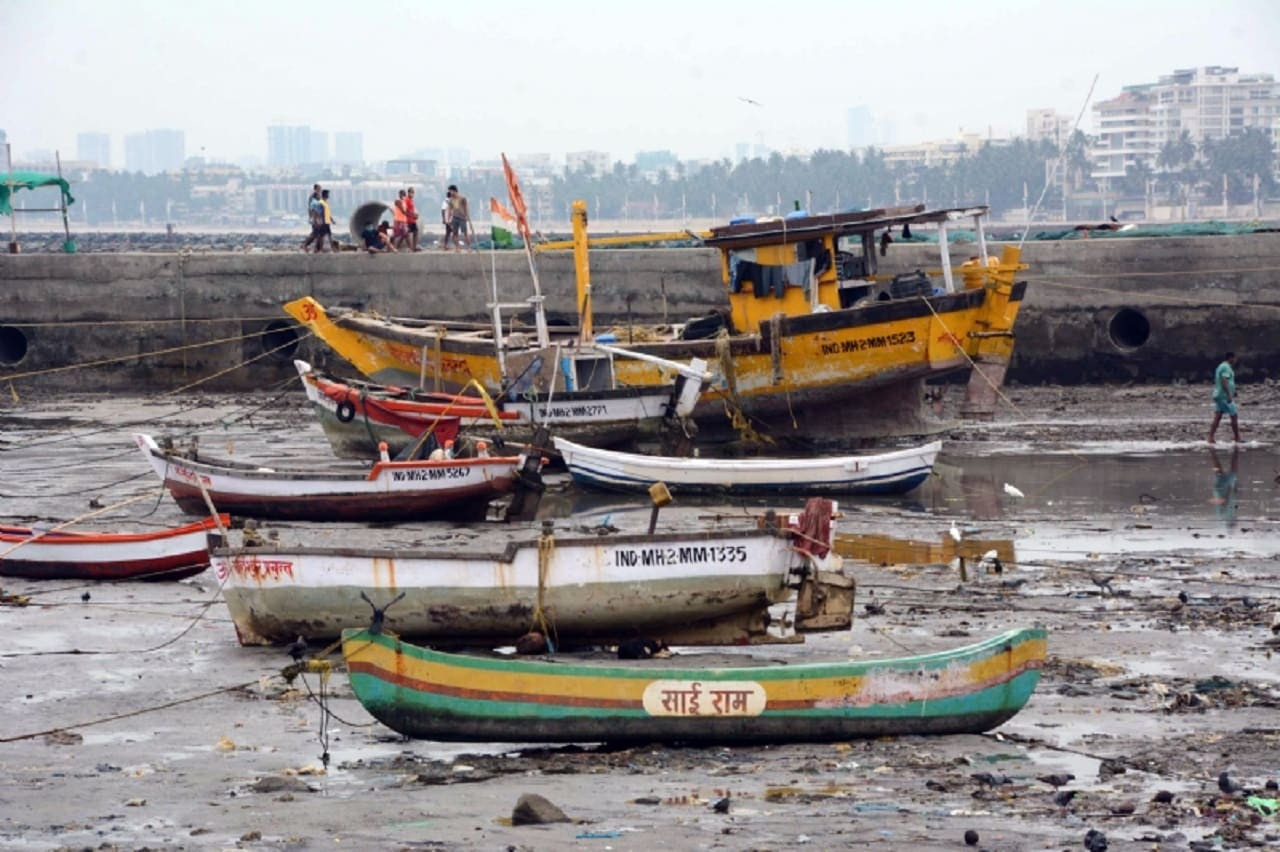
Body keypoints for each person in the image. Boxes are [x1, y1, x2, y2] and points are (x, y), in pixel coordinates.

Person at [1207, 351, 1240, 444]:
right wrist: (1229, 394)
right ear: (1230, 358)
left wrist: (1234, 391)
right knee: (1234, 415)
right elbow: (1224, 380)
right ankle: (1237, 437)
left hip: (1220, 395)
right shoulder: (1226, 367)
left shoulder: (1221, 366)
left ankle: (1210, 437)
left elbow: (1228, 381)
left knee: (1218, 416)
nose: (1236, 360)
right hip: (1224, 396)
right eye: (1235, 358)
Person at [1208, 445, 1239, 528]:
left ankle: (1236, 448)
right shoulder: (1223, 516)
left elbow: (1226, 501)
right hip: (1219, 489)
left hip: (1225, 488)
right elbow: (1226, 503)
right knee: (1218, 465)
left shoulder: (1228, 515)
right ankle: (1211, 449)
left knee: (1232, 465)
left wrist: (1230, 489)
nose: (1236, 520)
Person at [447, 184, 472, 251]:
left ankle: (468, 247)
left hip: (462, 217)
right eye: (449, 191)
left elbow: (466, 207)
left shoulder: (462, 198)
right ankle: (457, 248)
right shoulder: (450, 200)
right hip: (455, 217)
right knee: (455, 234)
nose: (450, 193)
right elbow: (449, 210)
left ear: (454, 191)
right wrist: (448, 219)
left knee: (465, 233)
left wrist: (467, 216)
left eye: (451, 191)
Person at [301, 184, 322, 252]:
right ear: (315, 189)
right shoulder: (313, 198)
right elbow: (312, 209)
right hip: (315, 217)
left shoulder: (318, 197)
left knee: (319, 233)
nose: (320, 190)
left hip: (318, 217)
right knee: (315, 233)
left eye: (320, 189)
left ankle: (316, 248)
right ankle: (305, 245)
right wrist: (313, 218)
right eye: (319, 188)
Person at [316, 189, 336, 253]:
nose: (328, 196)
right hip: (323, 222)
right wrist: (320, 221)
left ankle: (332, 248)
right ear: (325, 195)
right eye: (328, 194)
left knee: (329, 235)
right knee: (321, 236)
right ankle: (321, 249)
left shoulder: (325, 203)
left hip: (327, 222)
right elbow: (318, 213)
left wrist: (332, 220)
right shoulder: (320, 203)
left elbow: (328, 213)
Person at [404, 186, 420, 251]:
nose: (412, 194)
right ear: (408, 193)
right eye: (411, 193)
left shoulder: (411, 200)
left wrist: (415, 215)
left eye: (413, 193)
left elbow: (412, 209)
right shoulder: (406, 200)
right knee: (406, 233)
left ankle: (414, 247)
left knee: (415, 232)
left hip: (412, 220)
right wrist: (412, 215)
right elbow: (406, 210)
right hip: (408, 220)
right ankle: (410, 247)